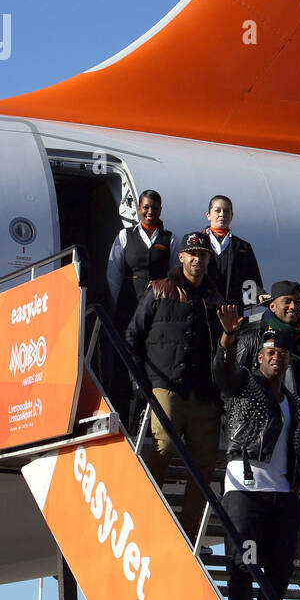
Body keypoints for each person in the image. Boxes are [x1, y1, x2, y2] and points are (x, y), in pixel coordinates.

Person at [212, 314, 300, 600]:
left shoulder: (292, 401)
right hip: (245, 491)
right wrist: (229, 338)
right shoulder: (245, 384)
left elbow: (292, 444)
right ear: (260, 357)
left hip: (281, 494)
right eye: (271, 352)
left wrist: (297, 481)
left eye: (283, 354)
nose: (277, 358)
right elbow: (223, 375)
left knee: (281, 570)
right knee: (244, 565)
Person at [126, 231, 224, 544]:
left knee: (206, 461)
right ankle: (146, 512)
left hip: (204, 392)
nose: (197, 259)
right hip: (165, 384)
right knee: (163, 446)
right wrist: (141, 383)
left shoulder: (216, 299)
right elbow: (132, 337)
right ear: (180, 257)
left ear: (209, 260)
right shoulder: (158, 290)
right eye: (192, 254)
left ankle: (188, 530)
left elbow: (226, 350)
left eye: (203, 255)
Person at [105, 189, 178, 422]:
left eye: (154, 208)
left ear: (160, 210)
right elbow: (113, 274)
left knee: (152, 362)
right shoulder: (125, 236)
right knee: (123, 361)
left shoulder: (170, 239)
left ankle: (146, 420)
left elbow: (174, 274)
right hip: (128, 308)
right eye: (146, 207)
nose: (150, 212)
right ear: (139, 209)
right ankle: (120, 415)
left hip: (156, 313)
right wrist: (116, 306)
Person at [259, 281, 300, 439]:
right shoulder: (256, 335)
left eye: (297, 302)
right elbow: (238, 378)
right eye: (287, 301)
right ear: (272, 306)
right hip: (264, 425)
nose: (293, 306)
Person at [204, 195, 268, 316]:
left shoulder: (242, 247)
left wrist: (259, 294)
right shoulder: (197, 244)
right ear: (208, 215)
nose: (222, 214)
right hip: (203, 312)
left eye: (226, 211)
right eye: (217, 210)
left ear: (232, 216)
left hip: (231, 313)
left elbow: (251, 281)